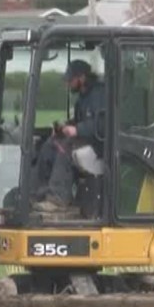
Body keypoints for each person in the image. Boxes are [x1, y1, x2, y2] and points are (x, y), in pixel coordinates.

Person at [34, 59, 108, 215]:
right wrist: (64, 126)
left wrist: (77, 130)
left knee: (64, 147)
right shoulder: (83, 97)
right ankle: (41, 193)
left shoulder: (99, 95)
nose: (68, 83)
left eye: (70, 80)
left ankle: (59, 199)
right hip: (84, 139)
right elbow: (78, 121)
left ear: (81, 78)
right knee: (50, 144)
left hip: (99, 145)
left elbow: (102, 125)